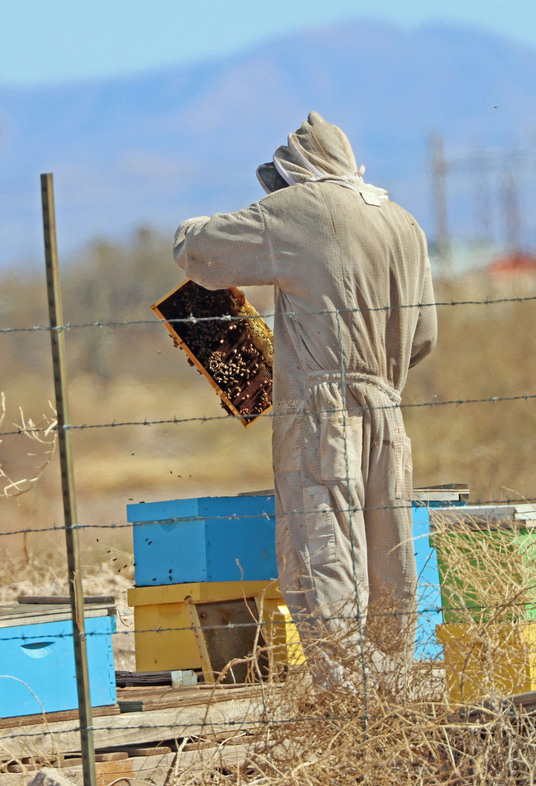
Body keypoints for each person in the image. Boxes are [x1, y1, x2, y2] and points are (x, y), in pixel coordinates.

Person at [173, 112, 437, 691]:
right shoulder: (403, 222)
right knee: (384, 549)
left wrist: (190, 227)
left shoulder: (301, 209)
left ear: (298, 173)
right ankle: (398, 688)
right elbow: (423, 338)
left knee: (326, 549)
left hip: (325, 411)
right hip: (387, 405)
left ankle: (351, 701)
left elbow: (200, 251)